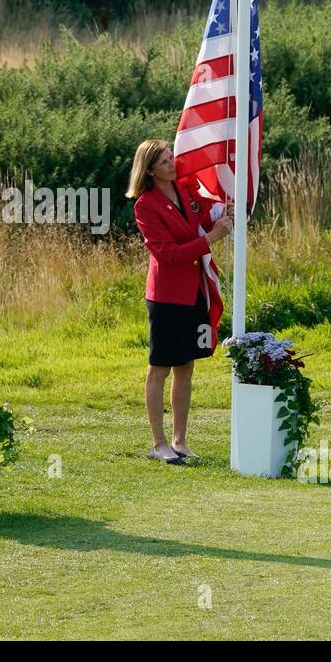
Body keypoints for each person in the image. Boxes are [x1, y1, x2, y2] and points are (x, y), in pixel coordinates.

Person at [127, 139, 232, 464]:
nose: (172, 164)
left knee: (185, 365)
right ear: (149, 170)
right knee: (160, 367)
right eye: (164, 162)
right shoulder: (145, 205)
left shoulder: (185, 191)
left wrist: (222, 213)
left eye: (171, 158)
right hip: (167, 297)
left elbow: (204, 216)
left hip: (195, 290)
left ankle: (180, 441)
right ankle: (158, 444)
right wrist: (209, 239)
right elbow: (167, 254)